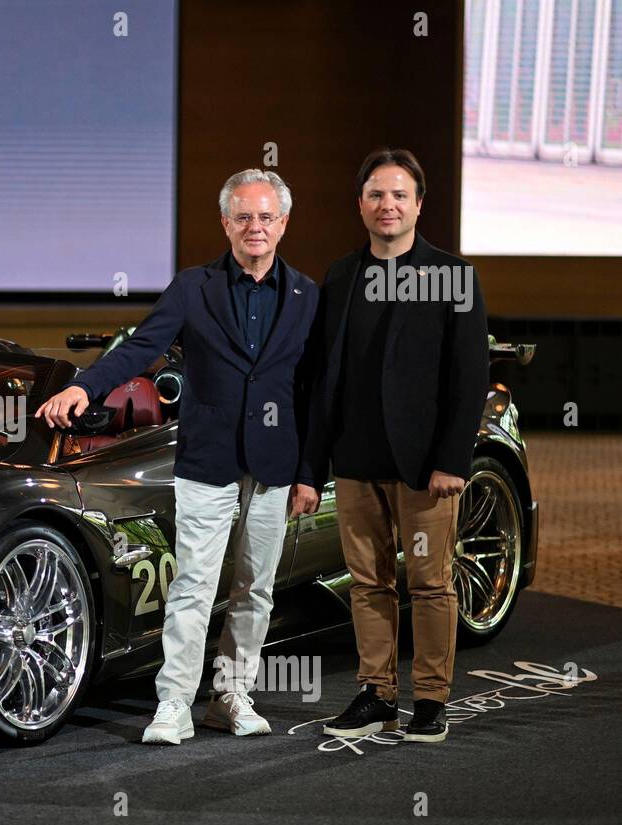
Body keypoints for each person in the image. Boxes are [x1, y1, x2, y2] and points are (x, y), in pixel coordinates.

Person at [36, 169, 321, 744]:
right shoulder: (194, 287)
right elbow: (141, 347)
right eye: (243, 216)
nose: (255, 227)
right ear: (225, 222)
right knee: (194, 585)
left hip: (273, 468)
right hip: (207, 463)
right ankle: (174, 704)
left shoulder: (307, 296)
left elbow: (313, 391)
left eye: (266, 216)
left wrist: (310, 474)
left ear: (284, 223)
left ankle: (232, 697)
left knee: (256, 589)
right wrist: (85, 387)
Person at [295, 149, 489, 744]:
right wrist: (310, 468)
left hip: (424, 469)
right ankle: (377, 694)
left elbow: (469, 376)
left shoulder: (451, 275)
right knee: (368, 584)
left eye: (400, 195)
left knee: (430, 584)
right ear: (361, 204)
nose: (388, 205)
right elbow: (324, 377)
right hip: (356, 462)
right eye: (377, 195)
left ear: (418, 205)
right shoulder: (341, 275)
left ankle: (431, 701)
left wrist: (452, 460)